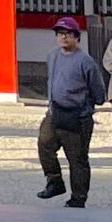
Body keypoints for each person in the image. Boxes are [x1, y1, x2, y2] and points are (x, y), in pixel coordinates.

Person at [37, 15, 105, 207]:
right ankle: (54, 180)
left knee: (77, 158)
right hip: (55, 111)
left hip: (78, 115)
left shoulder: (86, 61)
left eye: (68, 33)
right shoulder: (52, 56)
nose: (63, 37)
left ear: (76, 36)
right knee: (44, 144)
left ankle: (78, 197)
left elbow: (98, 91)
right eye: (60, 33)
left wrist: (87, 106)